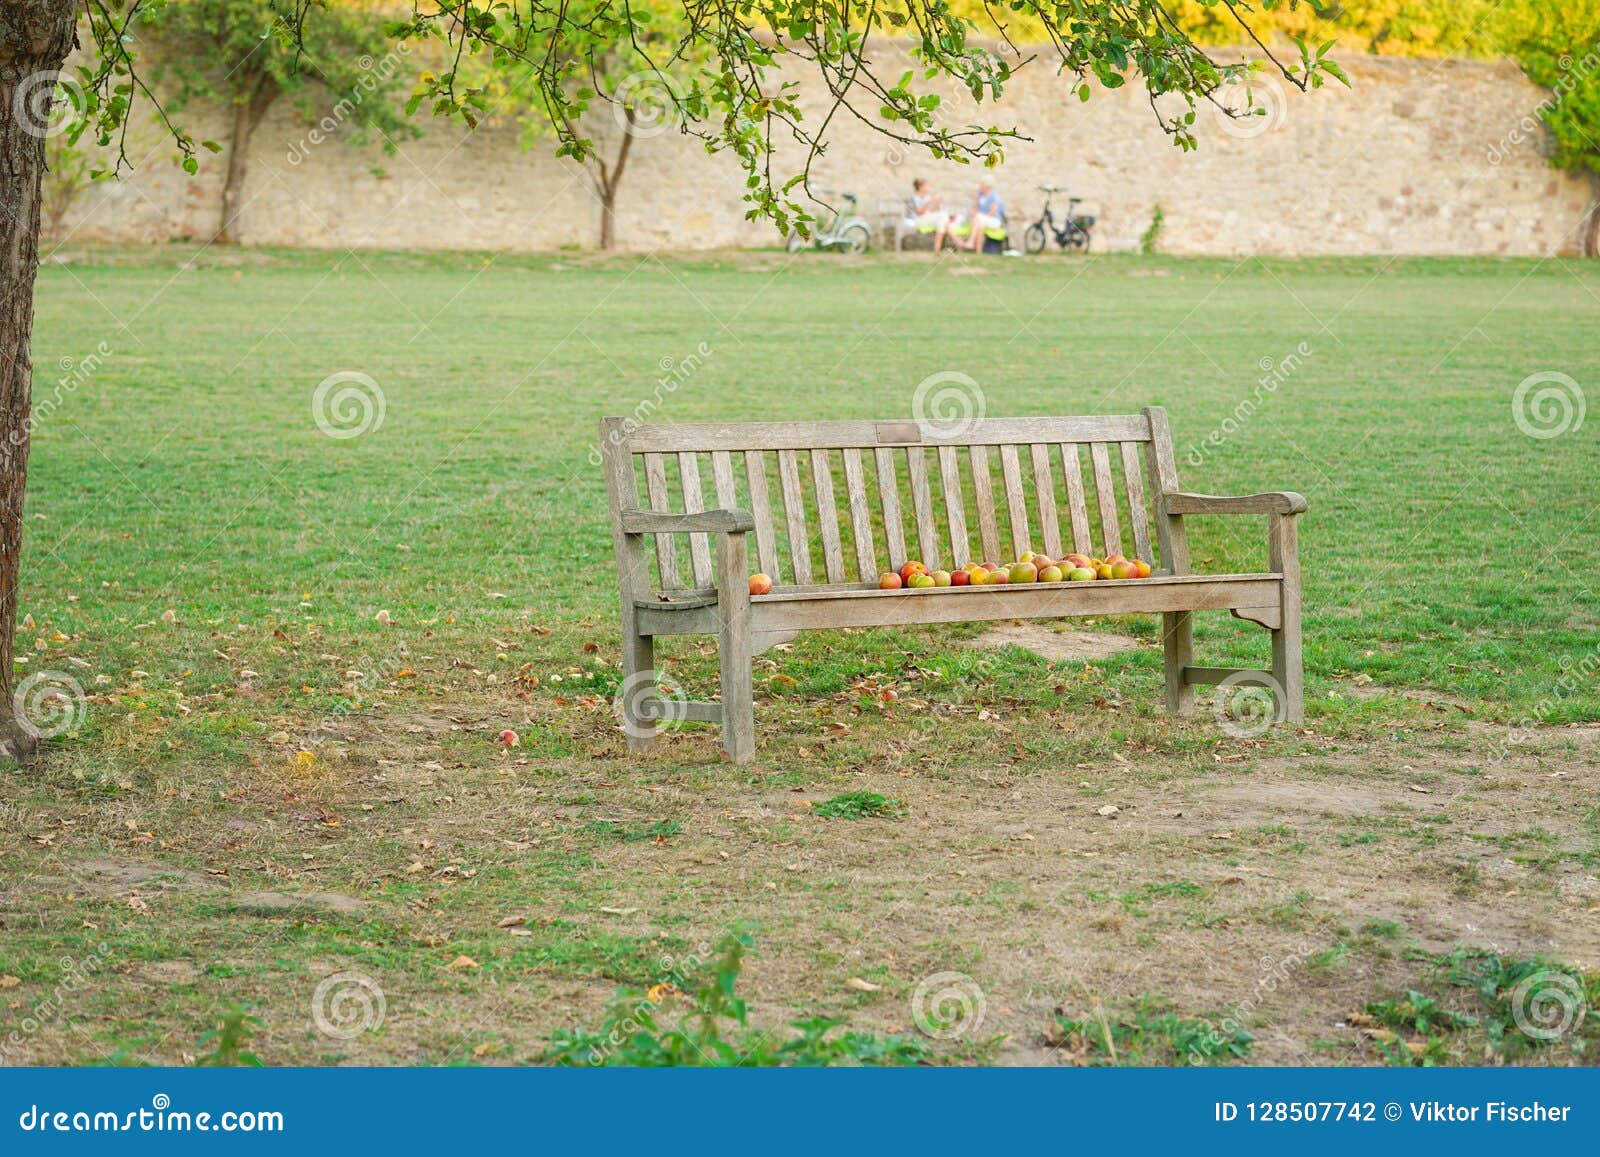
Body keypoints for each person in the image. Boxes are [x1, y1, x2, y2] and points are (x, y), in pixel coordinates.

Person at [910, 178, 952, 253]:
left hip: (928, 218)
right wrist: (929, 203)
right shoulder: (914, 198)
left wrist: (937, 203)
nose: (928, 188)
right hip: (919, 219)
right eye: (926, 186)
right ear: (920, 187)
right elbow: (919, 213)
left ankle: (937, 249)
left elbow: (933, 211)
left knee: (942, 218)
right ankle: (954, 243)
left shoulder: (928, 197)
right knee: (943, 218)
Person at [967, 178, 1006, 251]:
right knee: (979, 224)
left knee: (978, 218)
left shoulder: (994, 197)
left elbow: (992, 212)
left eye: (982, 184)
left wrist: (980, 216)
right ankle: (978, 251)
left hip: (994, 220)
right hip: (981, 220)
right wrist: (975, 199)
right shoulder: (980, 195)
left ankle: (971, 241)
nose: (980, 186)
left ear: (987, 186)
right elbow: (975, 209)